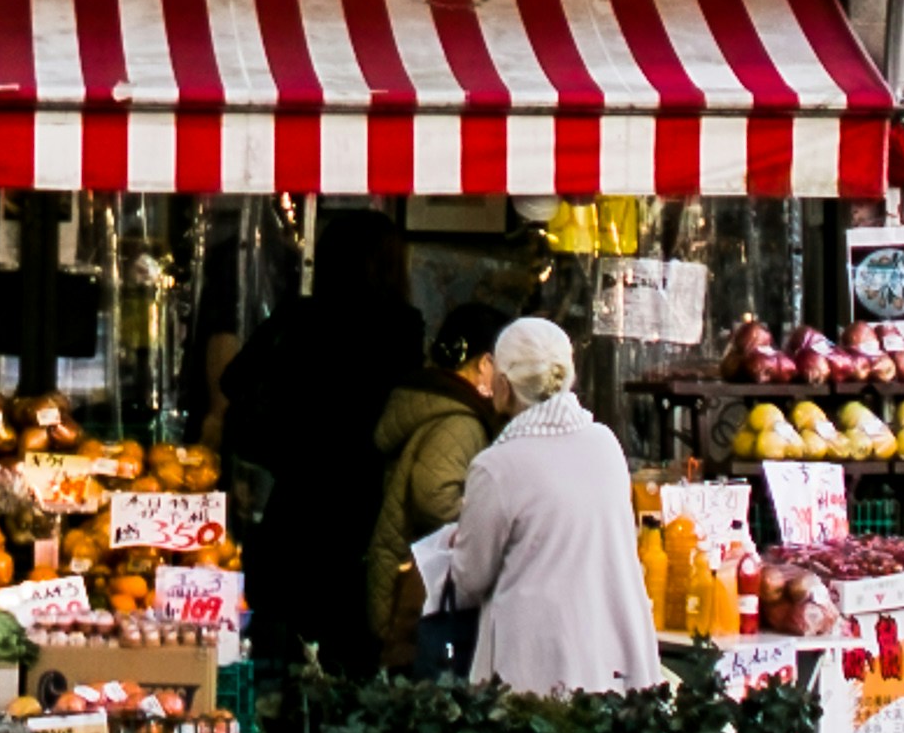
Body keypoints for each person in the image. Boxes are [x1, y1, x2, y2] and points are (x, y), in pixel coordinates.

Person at [420, 314, 664, 696]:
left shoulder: (496, 466)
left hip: (532, 666)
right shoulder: (606, 444)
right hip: (611, 656)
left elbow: (470, 578)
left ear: (502, 385)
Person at [221, 210, 418, 679]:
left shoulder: (300, 317)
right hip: (364, 503)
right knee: (353, 651)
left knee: (283, 647)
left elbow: (234, 379)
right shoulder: (401, 329)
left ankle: (283, 732)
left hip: (296, 498)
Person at [366, 296, 517, 670]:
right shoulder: (460, 422)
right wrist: (489, 520)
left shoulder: (431, 401)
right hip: (417, 590)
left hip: (399, 573)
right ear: (485, 364)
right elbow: (435, 498)